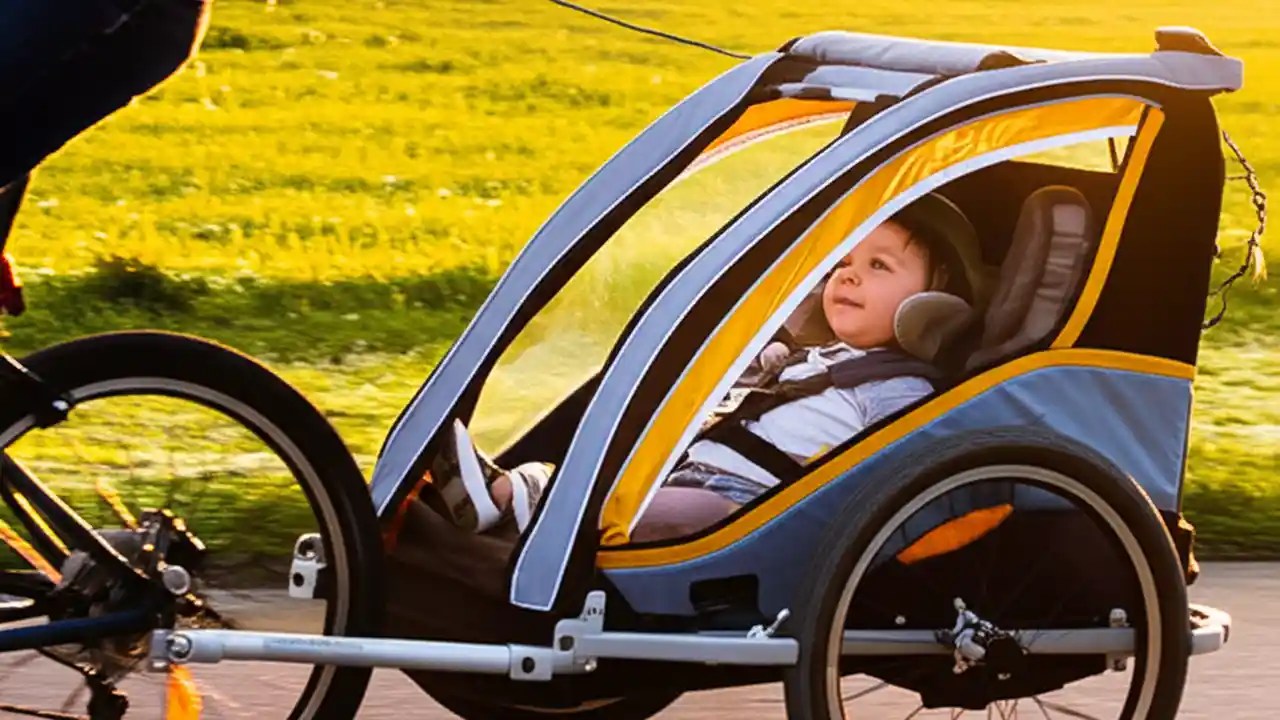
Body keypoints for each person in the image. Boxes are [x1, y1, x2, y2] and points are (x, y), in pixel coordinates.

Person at [434, 193, 990, 542]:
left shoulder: (902, 391)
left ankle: (507, 499)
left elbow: (894, 476)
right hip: (692, 471)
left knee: (619, 509)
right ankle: (517, 501)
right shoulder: (816, 359)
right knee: (617, 482)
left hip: (746, 507)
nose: (847, 276)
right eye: (843, 262)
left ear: (935, 298)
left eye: (879, 265)